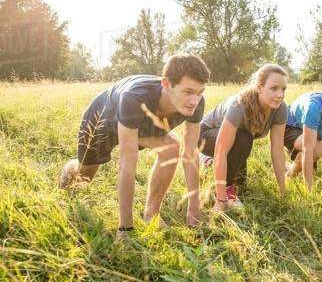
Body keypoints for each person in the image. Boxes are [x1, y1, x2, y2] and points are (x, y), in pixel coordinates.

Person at [59, 54, 210, 239]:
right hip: (105, 120)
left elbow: (191, 154)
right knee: (83, 178)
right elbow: (126, 163)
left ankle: (151, 215)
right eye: (188, 92)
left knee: (172, 147)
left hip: (145, 123)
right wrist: (125, 228)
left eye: (199, 92)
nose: (194, 101)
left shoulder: (196, 103)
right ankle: (69, 169)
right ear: (166, 84)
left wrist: (194, 206)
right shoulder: (135, 97)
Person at [198, 64, 288, 211]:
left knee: (242, 188)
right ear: (259, 87)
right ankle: (220, 186)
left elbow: (277, 151)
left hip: (236, 140)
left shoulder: (280, 108)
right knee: (244, 139)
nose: (280, 94)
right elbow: (221, 151)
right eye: (274, 88)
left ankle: (208, 163)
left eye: (283, 89)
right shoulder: (239, 105)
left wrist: (283, 190)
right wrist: (222, 200)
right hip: (204, 135)